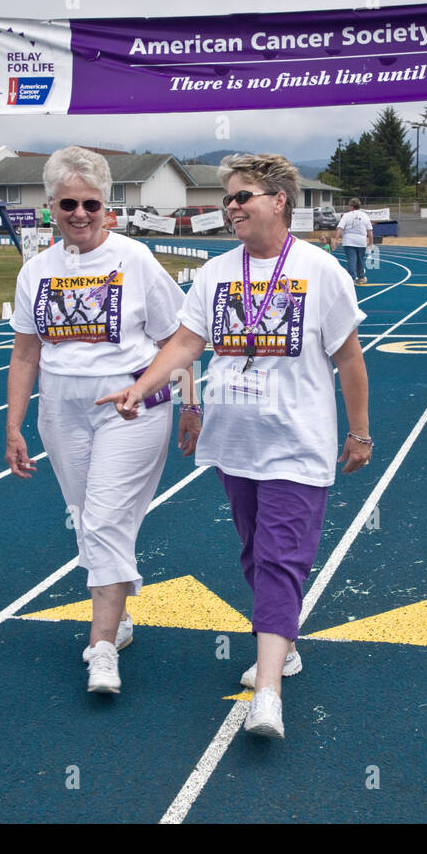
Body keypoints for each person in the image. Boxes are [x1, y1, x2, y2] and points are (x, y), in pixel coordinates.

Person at [98, 153, 371, 739]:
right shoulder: (218, 273)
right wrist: (144, 386)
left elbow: (349, 359)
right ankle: (285, 644)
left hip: (299, 443)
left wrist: (359, 430)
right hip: (236, 443)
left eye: (243, 195)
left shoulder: (323, 272)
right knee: (255, 552)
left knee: (280, 557)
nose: (232, 206)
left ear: (279, 202)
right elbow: (185, 345)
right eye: (228, 198)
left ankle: (267, 692)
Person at [5, 145, 199, 695]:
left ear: (108, 206)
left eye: (92, 203)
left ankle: (102, 647)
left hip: (130, 408)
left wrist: (190, 403)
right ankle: (121, 616)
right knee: (85, 516)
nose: (80, 214)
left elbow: (178, 343)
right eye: (68, 203)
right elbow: (25, 354)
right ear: (50, 206)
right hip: (59, 410)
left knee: (106, 518)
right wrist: (15, 425)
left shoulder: (135, 260)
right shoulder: (36, 271)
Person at [335, 197, 373, 285]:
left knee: (351, 260)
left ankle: (352, 278)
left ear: (351, 206)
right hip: (361, 241)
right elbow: (370, 231)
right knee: (360, 260)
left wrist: (336, 239)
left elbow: (340, 228)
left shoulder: (346, 215)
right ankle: (361, 278)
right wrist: (371, 243)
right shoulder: (365, 216)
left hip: (349, 241)